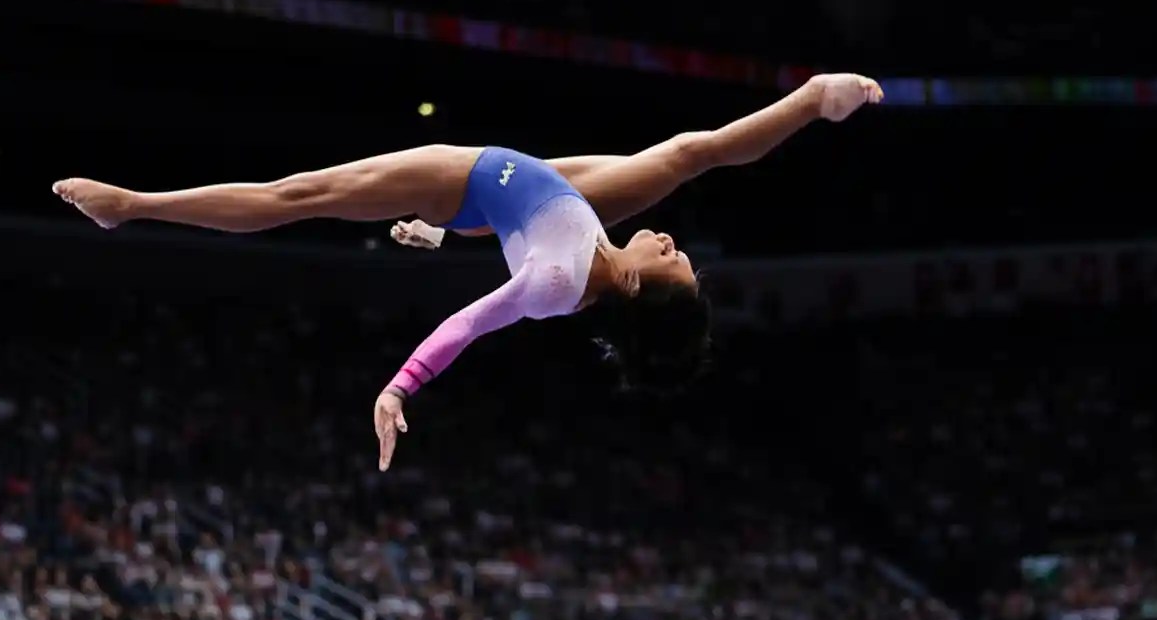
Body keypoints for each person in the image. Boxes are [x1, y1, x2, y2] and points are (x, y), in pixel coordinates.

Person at [52, 73, 883, 469]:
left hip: (475, 177)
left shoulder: (559, 286)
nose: (676, 247)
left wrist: (399, 388)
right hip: (528, 199)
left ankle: (130, 204)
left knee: (297, 195)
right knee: (685, 157)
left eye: (678, 266)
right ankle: (814, 98)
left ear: (637, 287)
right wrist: (815, 101)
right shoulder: (591, 261)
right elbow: (544, 236)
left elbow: (471, 322)